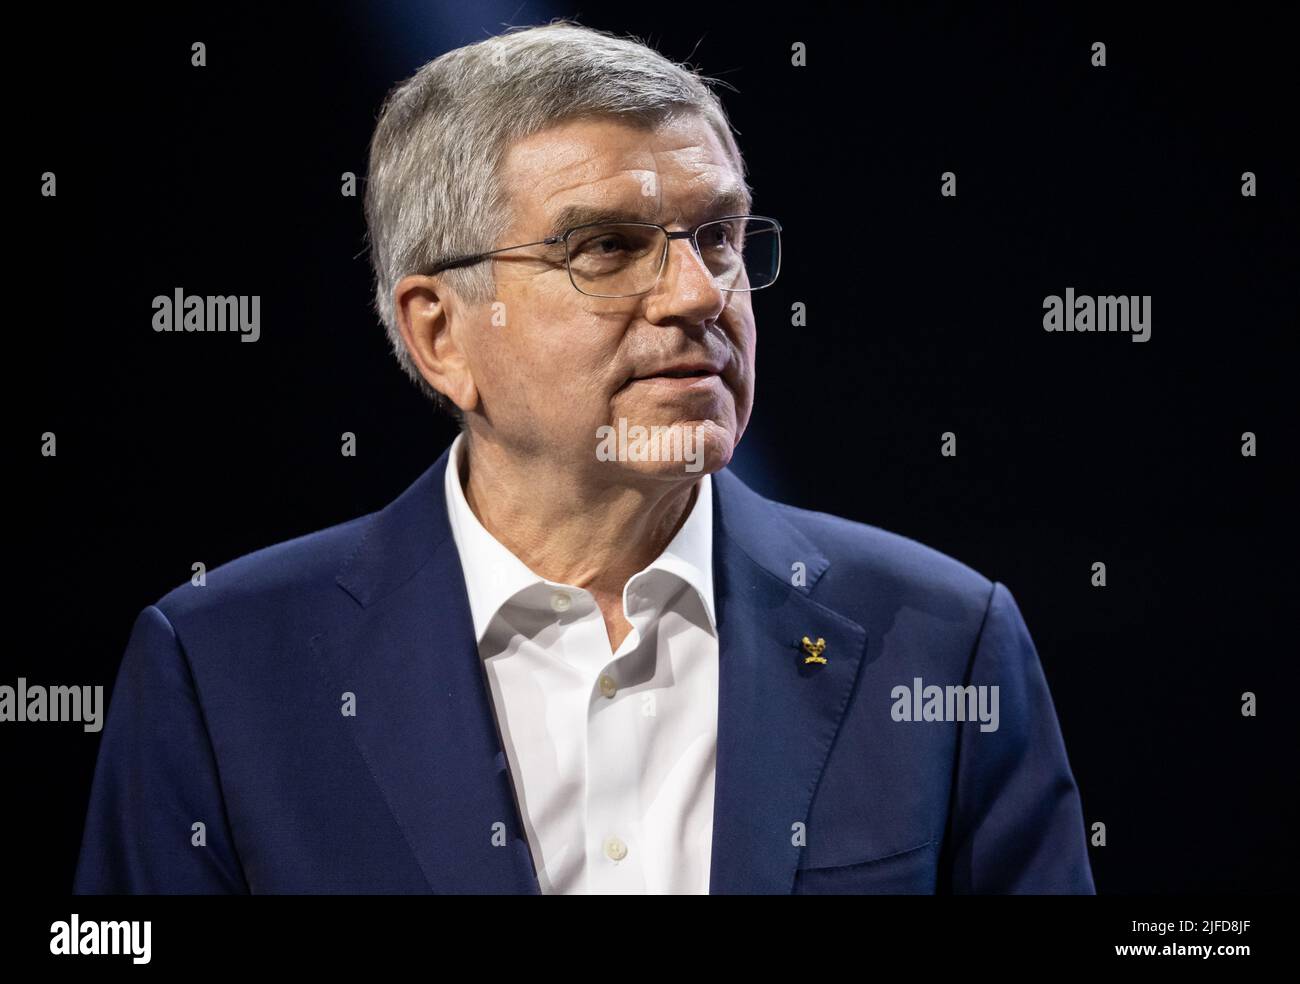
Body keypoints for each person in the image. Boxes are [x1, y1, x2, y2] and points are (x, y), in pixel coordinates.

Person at [74, 20, 1094, 894]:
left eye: (718, 238)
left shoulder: (944, 640)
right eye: (606, 247)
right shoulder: (222, 669)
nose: (698, 295)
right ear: (441, 334)